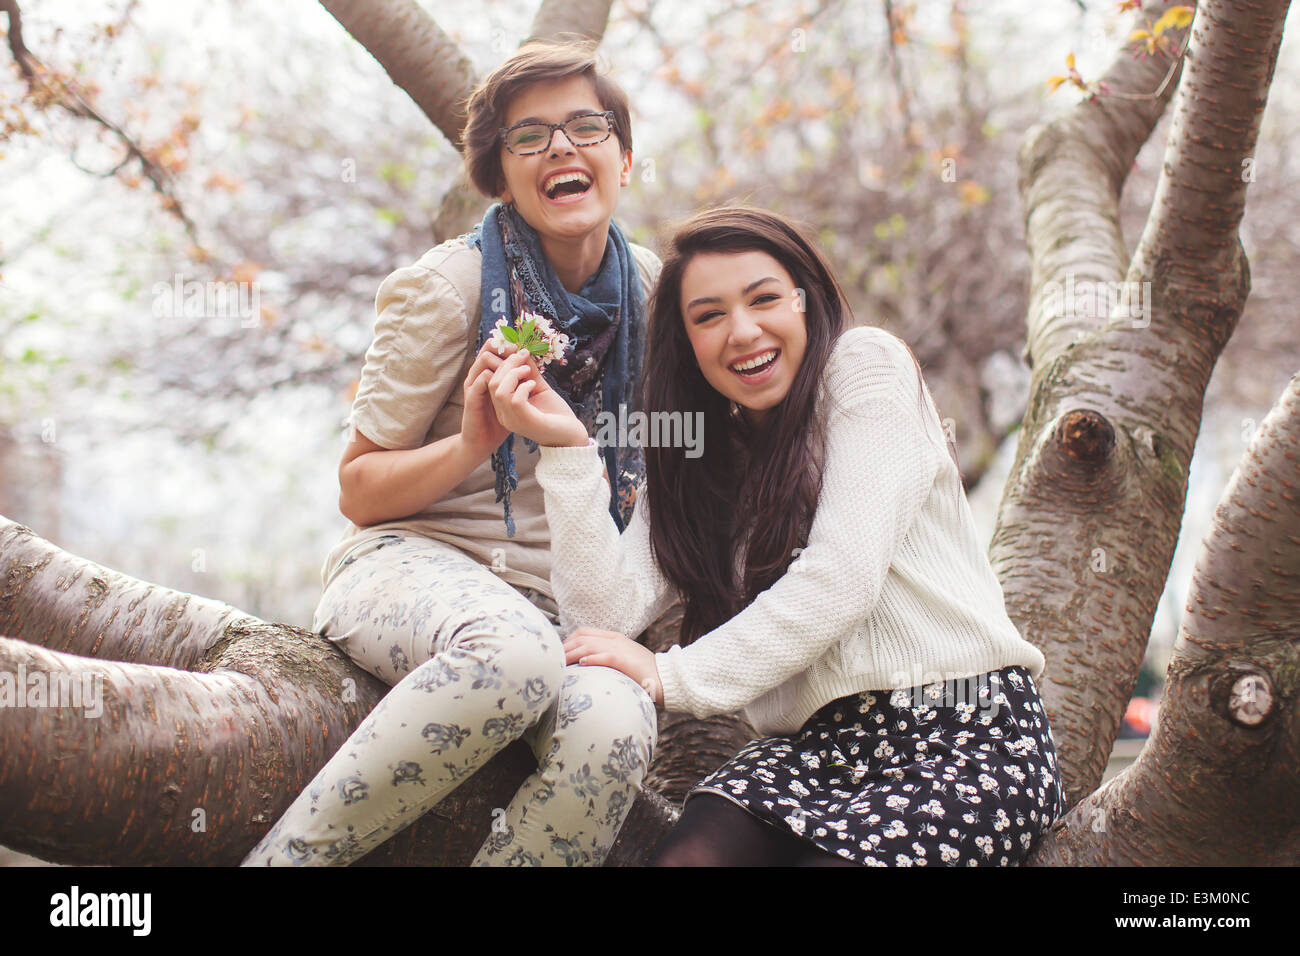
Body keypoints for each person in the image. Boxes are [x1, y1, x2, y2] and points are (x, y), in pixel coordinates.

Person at [485, 205, 1067, 866]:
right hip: (811, 752)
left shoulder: (865, 368)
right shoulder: (701, 457)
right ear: (686, 340)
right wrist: (564, 450)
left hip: (965, 733)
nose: (742, 331)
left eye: (764, 299)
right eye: (708, 315)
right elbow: (603, 621)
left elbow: (841, 576)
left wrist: (674, 675)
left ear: (806, 302)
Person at [242, 40, 661, 867]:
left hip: (570, 604)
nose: (562, 149)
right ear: (500, 177)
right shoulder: (447, 289)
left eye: (586, 126)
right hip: (413, 564)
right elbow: (359, 490)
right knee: (513, 653)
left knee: (616, 725)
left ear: (624, 157)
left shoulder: (655, 292)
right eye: (529, 138)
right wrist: (475, 442)